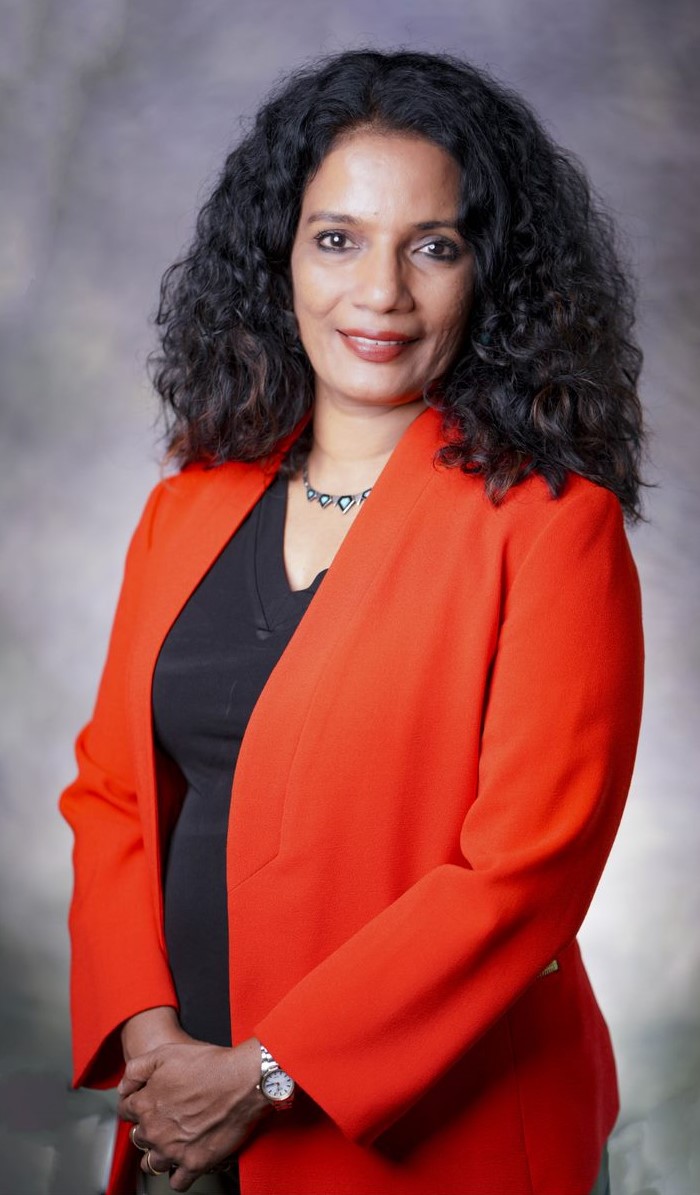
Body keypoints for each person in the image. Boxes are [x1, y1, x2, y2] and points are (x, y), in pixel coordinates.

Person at [59, 47, 646, 1195]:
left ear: (490, 273)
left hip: (427, 1144)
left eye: (433, 246)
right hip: (182, 1116)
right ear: (277, 254)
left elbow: (522, 872)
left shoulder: (550, 527)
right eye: (337, 239)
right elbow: (113, 794)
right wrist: (150, 1036)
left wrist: (265, 1073)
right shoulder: (188, 506)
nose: (379, 292)